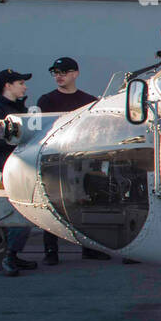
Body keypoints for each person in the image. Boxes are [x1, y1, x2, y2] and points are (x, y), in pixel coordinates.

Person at [35, 57, 107, 263]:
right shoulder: (46, 101)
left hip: (80, 161)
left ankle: (89, 247)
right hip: (54, 159)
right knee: (53, 204)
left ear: (75, 74)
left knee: (85, 203)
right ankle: (51, 251)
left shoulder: (88, 101)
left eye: (64, 72)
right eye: (56, 72)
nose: (59, 76)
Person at [0, 69, 36, 276]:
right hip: (0, 168)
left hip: (12, 166)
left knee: (21, 213)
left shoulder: (13, 108)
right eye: (20, 83)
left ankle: (11, 255)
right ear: (8, 85)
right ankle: (6, 257)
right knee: (15, 212)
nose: (24, 87)